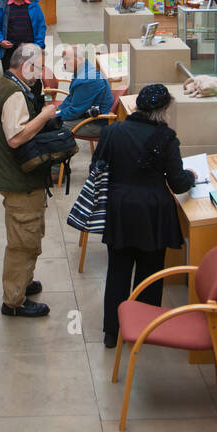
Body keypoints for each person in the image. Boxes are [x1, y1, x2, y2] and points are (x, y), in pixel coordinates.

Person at [91, 84, 195, 346]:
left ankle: (111, 332)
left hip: (119, 208)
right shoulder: (166, 138)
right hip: (153, 212)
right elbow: (178, 183)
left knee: (117, 270)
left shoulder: (113, 131)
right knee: (150, 272)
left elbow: (97, 167)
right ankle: (143, 329)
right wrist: (191, 177)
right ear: (162, 111)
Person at [0, 43, 54, 318]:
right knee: (23, 240)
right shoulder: (13, 95)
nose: (41, 71)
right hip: (19, 179)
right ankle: (14, 301)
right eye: (38, 66)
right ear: (25, 67)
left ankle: (24, 281)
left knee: (31, 231)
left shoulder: (2, 85)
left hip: (13, 175)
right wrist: (45, 115)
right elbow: (15, 137)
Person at [56, 44, 115, 139]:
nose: (64, 63)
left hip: (97, 124)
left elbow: (74, 111)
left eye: (67, 59)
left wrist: (51, 117)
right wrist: (57, 110)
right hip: (89, 116)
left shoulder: (86, 80)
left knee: (52, 125)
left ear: (79, 59)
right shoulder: (84, 69)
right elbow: (71, 98)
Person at [0, 0, 47, 72]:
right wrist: (0, 40)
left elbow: (41, 27)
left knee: (33, 82)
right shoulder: (3, 5)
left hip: (31, 50)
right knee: (11, 82)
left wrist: (38, 46)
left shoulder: (34, 5)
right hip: (10, 51)